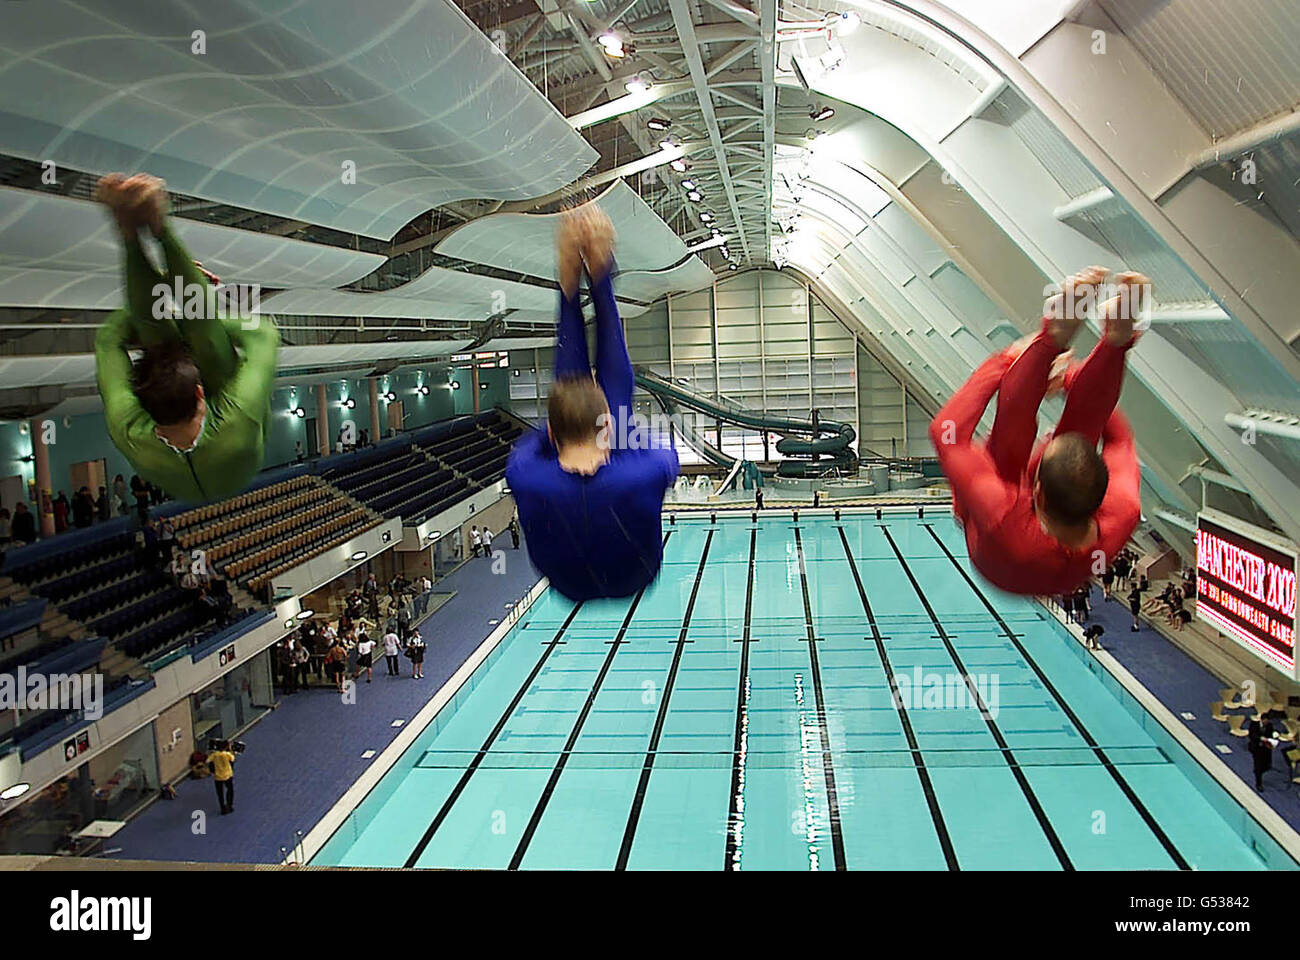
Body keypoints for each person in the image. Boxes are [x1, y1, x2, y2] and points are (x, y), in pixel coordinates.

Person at [929, 267, 1145, 596]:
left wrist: (1007, 359)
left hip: (1003, 554)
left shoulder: (1004, 514)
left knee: (1007, 453)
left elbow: (946, 433)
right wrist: (1076, 374)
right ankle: (1111, 342)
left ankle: (1057, 340)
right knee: (1079, 441)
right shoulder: (1119, 514)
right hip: (1054, 551)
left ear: (1037, 491)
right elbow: (1119, 440)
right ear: (1101, 497)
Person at [506, 207, 679, 602]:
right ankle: (576, 284)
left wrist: (602, 423)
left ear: (552, 433)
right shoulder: (522, 471)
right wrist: (569, 424)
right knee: (587, 404)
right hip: (630, 572)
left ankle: (592, 281)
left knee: (615, 408)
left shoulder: (647, 470)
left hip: (571, 582)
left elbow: (634, 431)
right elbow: (547, 432)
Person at [93, 173, 280, 502]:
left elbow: (264, 334)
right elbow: (109, 338)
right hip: (226, 449)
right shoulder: (129, 427)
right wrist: (184, 297)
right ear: (199, 392)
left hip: (211, 446)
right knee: (200, 339)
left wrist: (184, 296)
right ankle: (132, 234)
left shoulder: (236, 417)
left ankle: (150, 231)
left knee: (186, 334)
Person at [1248, 719, 1278, 791]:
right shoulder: (1254, 725)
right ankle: (1259, 784)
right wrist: (1260, 738)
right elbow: (1251, 735)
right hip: (1256, 749)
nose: (1266, 723)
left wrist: (1274, 736)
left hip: (1266, 749)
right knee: (1258, 767)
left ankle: (1258, 772)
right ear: (1262, 720)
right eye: (1265, 721)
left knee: (1268, 766)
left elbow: (1271, 734)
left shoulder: (1269, 726)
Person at [208, 741, 236, 815]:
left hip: (218, 776)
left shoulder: (214, 755)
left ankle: (222, 808)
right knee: (230, 790)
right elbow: (232, 759)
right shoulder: (227, 755)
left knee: (220, 793)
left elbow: (208, 761)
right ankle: (229, 806)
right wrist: (231, 750)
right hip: (227, 775)